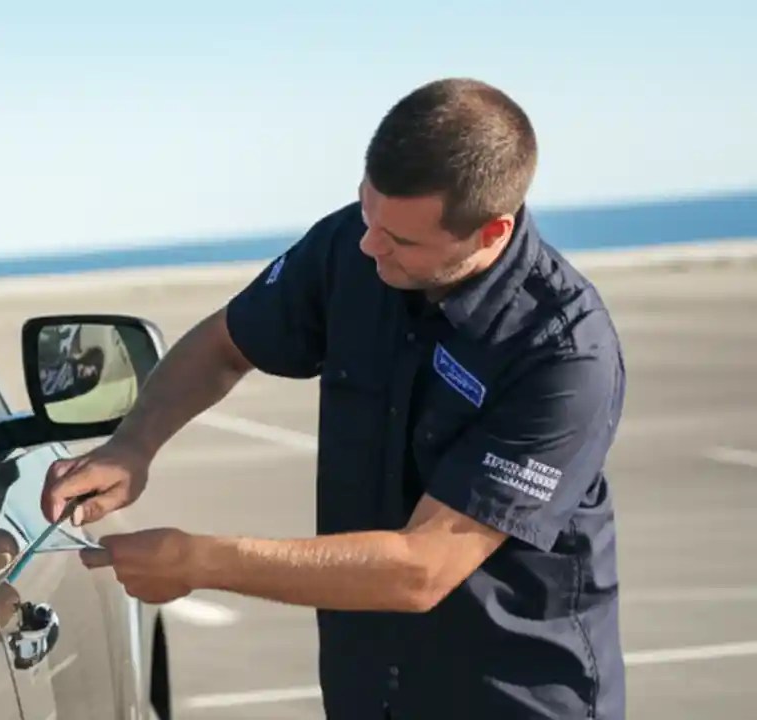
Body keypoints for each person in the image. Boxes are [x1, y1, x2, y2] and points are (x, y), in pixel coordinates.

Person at [41, 78, 626, 719]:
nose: (371, 245)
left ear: (491, 233)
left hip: (507, 698)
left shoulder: (562, 353)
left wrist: (196, 560)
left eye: (400, 240)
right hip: (368, 692)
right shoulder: (354, 246)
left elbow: (421, 567)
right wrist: (134, 445)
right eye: (368, 212)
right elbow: (224, 344)